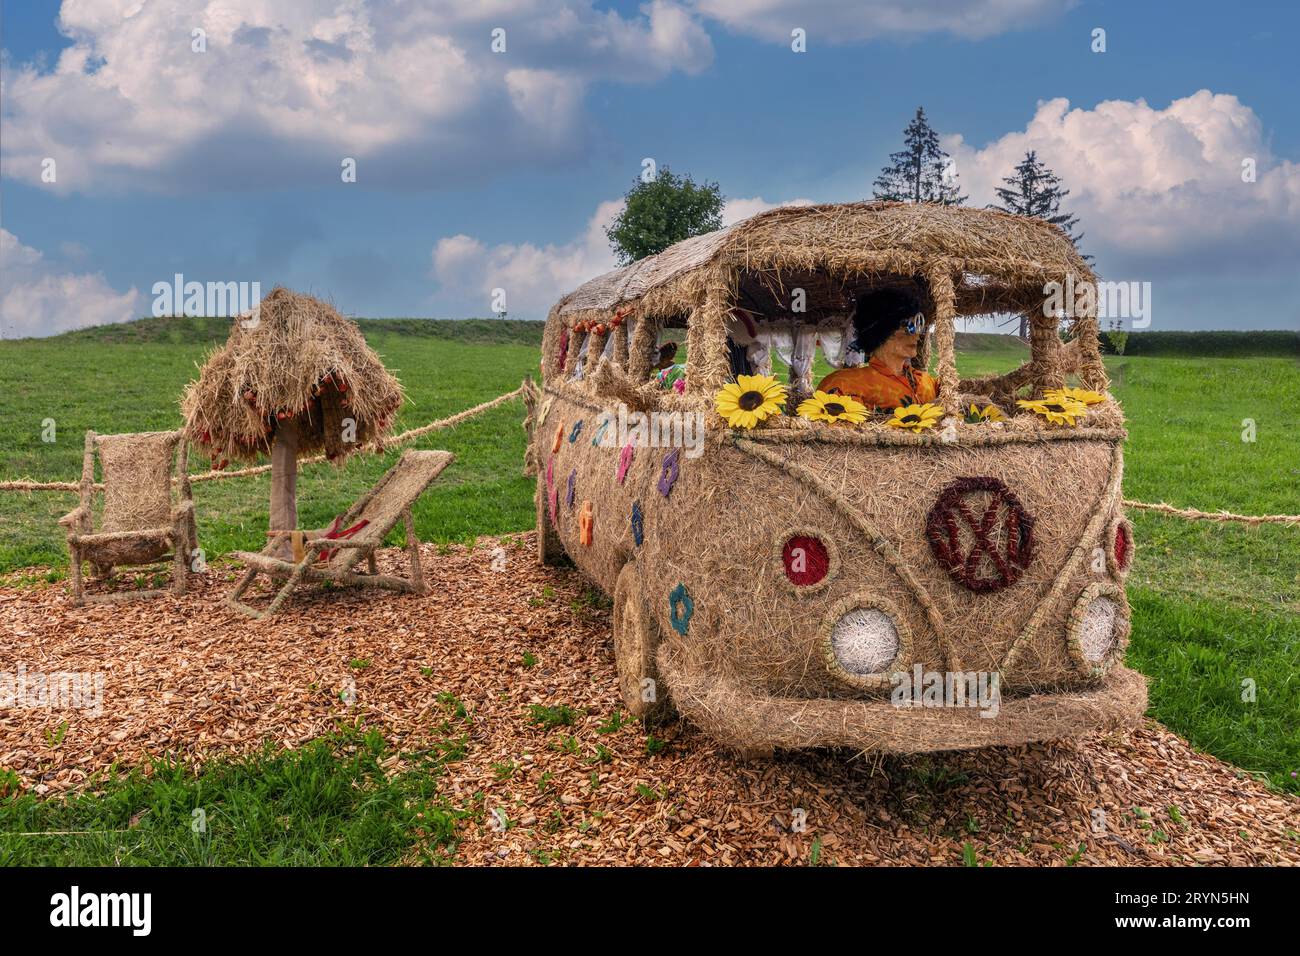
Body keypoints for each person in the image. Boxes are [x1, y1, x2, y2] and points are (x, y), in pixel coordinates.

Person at [816, 286, 938, 410]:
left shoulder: (925, 381)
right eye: (909, 327)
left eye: (918, 326)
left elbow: (951, 392)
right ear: (882, 332)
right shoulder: (847, 383)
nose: (916, 335)